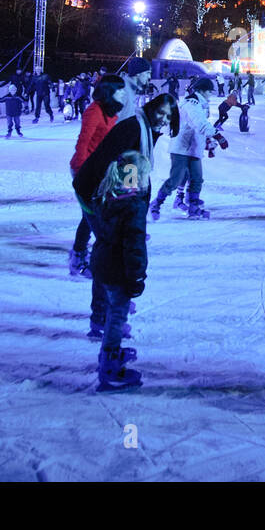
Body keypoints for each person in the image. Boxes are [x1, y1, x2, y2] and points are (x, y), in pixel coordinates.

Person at [73, 95, 178, 349]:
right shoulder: (133, 128)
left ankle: (110, 304)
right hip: (96, 192)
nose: (163, 119)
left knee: (111, 249)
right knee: (111, 251)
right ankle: (102, 314)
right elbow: (115, 165)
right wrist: (127, 208)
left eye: (168, 116)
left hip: (104, 194)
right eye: (160, 112)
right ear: (151, 108)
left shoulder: (144, 129)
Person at [90, 149, 151, 391]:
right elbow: (134, 244)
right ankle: (110, 365)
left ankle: (110, 353)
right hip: (117, 268)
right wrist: (136, 276)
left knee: (113, 312)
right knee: (117, 316)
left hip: (102, 263)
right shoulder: (133, 205)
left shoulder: (106, 194)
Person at [68, 75, 126, 275]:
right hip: (84, 170)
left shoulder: (111, 113)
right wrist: (82, 174)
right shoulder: (94, 112)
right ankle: (83, 258)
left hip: (99, 170)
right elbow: (82, 144)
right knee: (94, 217)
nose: (123, 93)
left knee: (89, 216)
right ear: (109, 91)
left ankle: (77, 255)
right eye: (119, 90)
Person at [150, 79, 215, 220]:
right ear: (202, 91)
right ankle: (156, 203)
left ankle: (193, 207)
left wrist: (208, 142)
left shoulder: (202, 104)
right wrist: (216, 134)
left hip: (194, 147)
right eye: (210, 91)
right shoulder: (192, 104)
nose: (211, 94)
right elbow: (200, 123)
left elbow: (200, 127)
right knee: (176, 179)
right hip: (181, 147)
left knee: (197, 178)